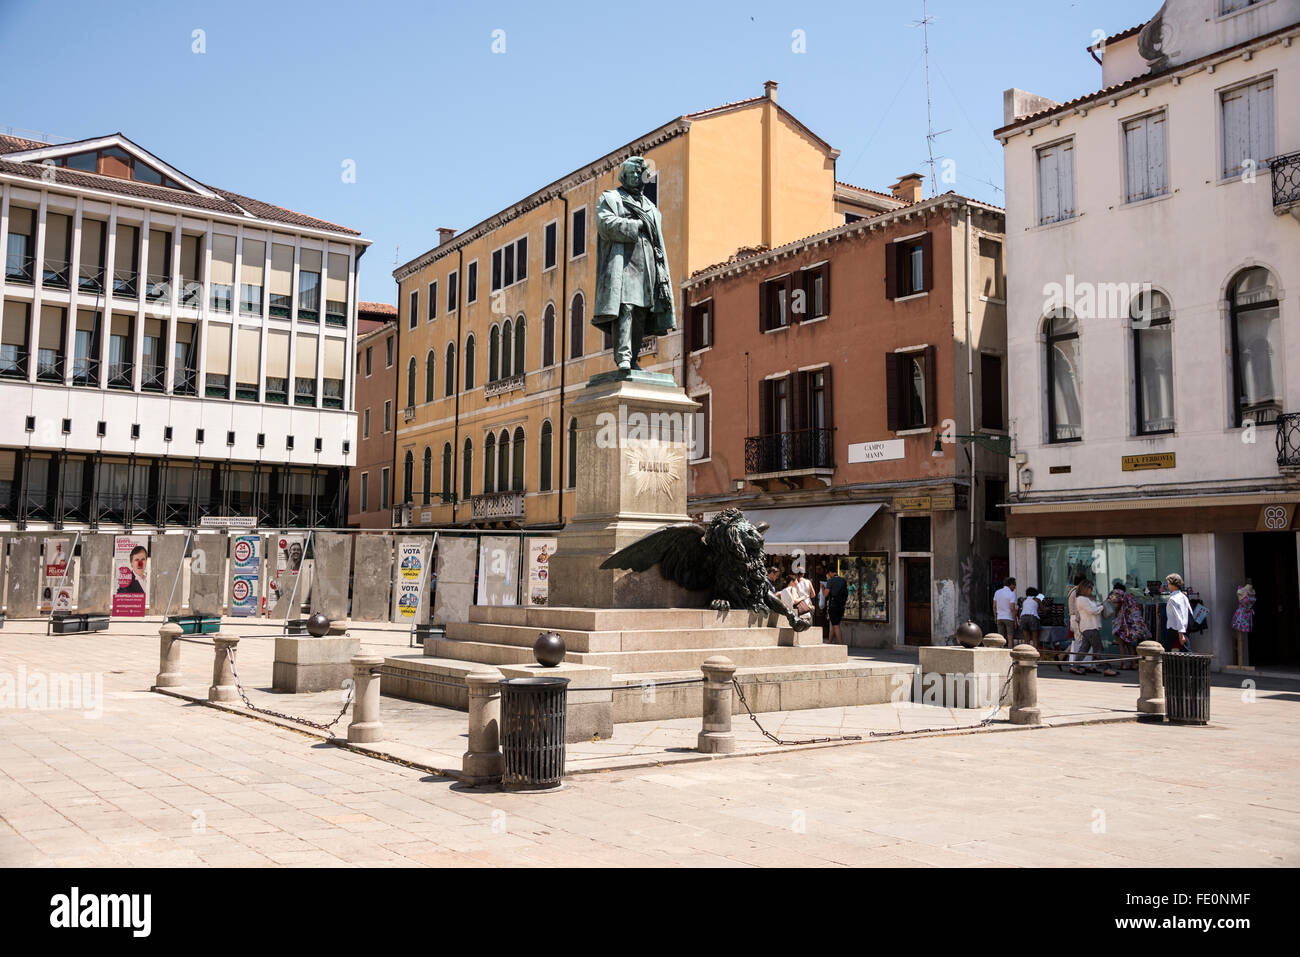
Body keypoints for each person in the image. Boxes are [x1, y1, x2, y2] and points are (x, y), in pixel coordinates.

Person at [594, 156, 675, 373]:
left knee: (641, 310)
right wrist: (635, 224)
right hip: (623, 263)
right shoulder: (611, 198)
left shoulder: (649, 205)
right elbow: (605, 224)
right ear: (624, 175)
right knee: (626, 307)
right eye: (633, 173)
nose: (637, 177)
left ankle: (633, 357)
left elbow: (656, 233)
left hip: (647, 263)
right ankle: (623, 356)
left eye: (640, 173)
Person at [1071, 580, 1117, 676]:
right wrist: (1102, 607)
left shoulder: (1085, 599)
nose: (1092, 590)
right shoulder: (1082, 599)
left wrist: (1103, 604)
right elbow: (1092, 611)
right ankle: (1107, 668)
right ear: (1085, 588)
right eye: (1090, 588)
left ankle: (1075, 666)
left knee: (1084, 649)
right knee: (1098, 649)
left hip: (1089, 627)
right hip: (1090, 627)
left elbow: (1094, 608)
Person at [1107, 581, 1149, 670]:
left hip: (1122, 624)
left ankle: (1124, 664)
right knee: (1129, 644)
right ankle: (1133, 664)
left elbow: (1117, 609)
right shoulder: (1129, 598)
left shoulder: (1118, 597)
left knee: (1121, 644)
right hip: (1130, 625)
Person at [821, 566, 848, 645]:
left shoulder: (831, 581)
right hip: (841, 606)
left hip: (833, 605)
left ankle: (841, 645)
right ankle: (829, 642)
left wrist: (822, 588)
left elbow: (825, 594)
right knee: (834, 624)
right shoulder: (843, 580)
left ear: (830, 572)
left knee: (835, 625)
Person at [1165, 573, 1191, 652]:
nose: (1168, 585)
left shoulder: (1173, 599)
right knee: (1186, 650)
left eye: (1168, 583)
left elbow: (1178, 616)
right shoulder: (1183, 597)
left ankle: (1198, 664)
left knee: (1167, 651)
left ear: (1172, 584)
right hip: (1182, 628)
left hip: (1174, 628)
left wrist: (1180, 634)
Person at [1231, 579, 1255, 667]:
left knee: (1243, 636)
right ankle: (1240, 663)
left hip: (1248, 615)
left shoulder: (1252, 591)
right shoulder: (1241, 590)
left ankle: (1242, 663)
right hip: (1241, 615)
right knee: (1239, 635)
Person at [993, 577, 1019, 644]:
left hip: (999, 618)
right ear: (1011, 584)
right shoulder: (1011, 594)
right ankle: (1010, 651)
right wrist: (1015, 620)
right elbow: (1012, 608)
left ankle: (1000, 651)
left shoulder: (997, 592)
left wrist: (995, 617)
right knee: (1010, 637)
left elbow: (994, 606)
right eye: (1014, 585)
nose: (1015, 587)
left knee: (1000, 638)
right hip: (1009, 618)